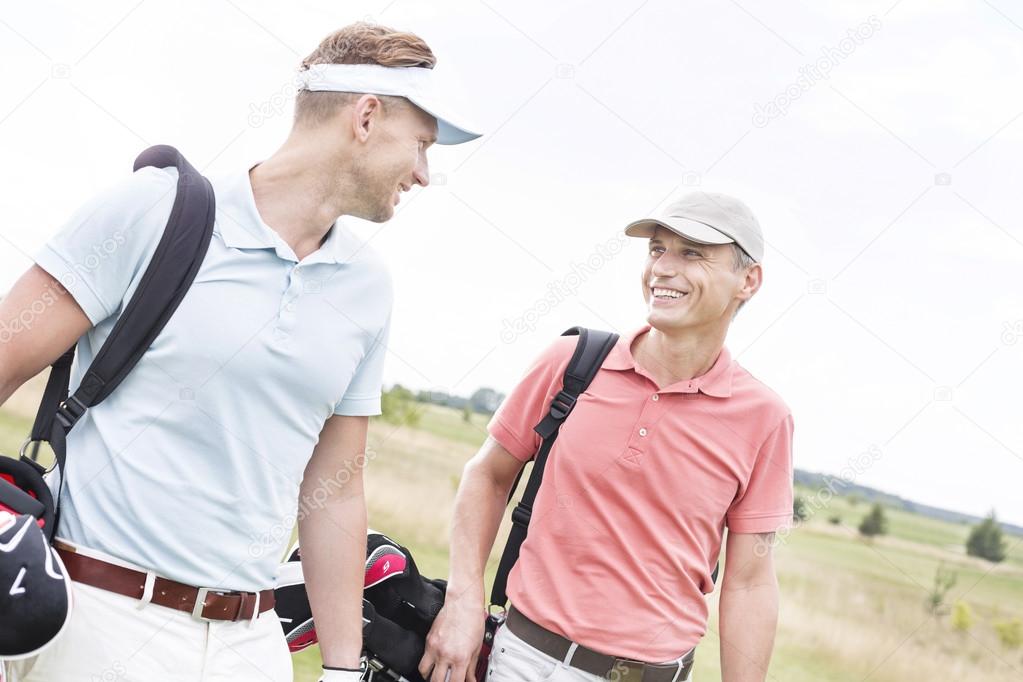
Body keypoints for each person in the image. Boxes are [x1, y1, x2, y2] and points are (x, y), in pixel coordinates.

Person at [0, 22, 479, 682]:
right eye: (421, 144)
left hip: (251, 645)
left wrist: (342, 671)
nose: (424, 173)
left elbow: (335, 490)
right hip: (97, 623)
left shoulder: (367, 289)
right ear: (366, 117)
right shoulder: (153, 211)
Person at [421, 192, 794, 682]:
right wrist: (463, 600)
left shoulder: (763, 418)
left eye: (692, 253)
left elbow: (748, 582)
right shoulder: (574, 363)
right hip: (520, 661)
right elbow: (488, 477)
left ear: (748, 280)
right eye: (657, 249)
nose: (663, 268)